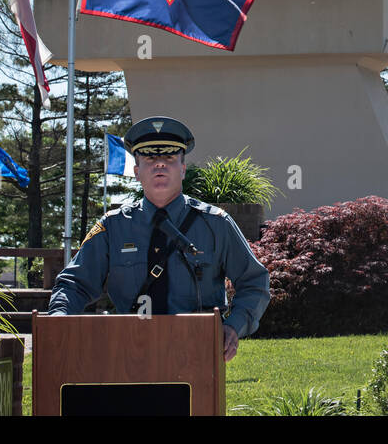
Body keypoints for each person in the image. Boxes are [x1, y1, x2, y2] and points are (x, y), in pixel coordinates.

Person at [48, 116, 270, 361]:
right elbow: (74, 284)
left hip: (198, 353)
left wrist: (233, 326)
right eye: (150, 158)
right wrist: (59, 321)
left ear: (183, 169)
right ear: (136, 171)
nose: (160, 165)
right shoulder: (113, 227)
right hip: (128, 354)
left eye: (170, 158)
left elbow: (254, 281)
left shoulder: (215, 224)